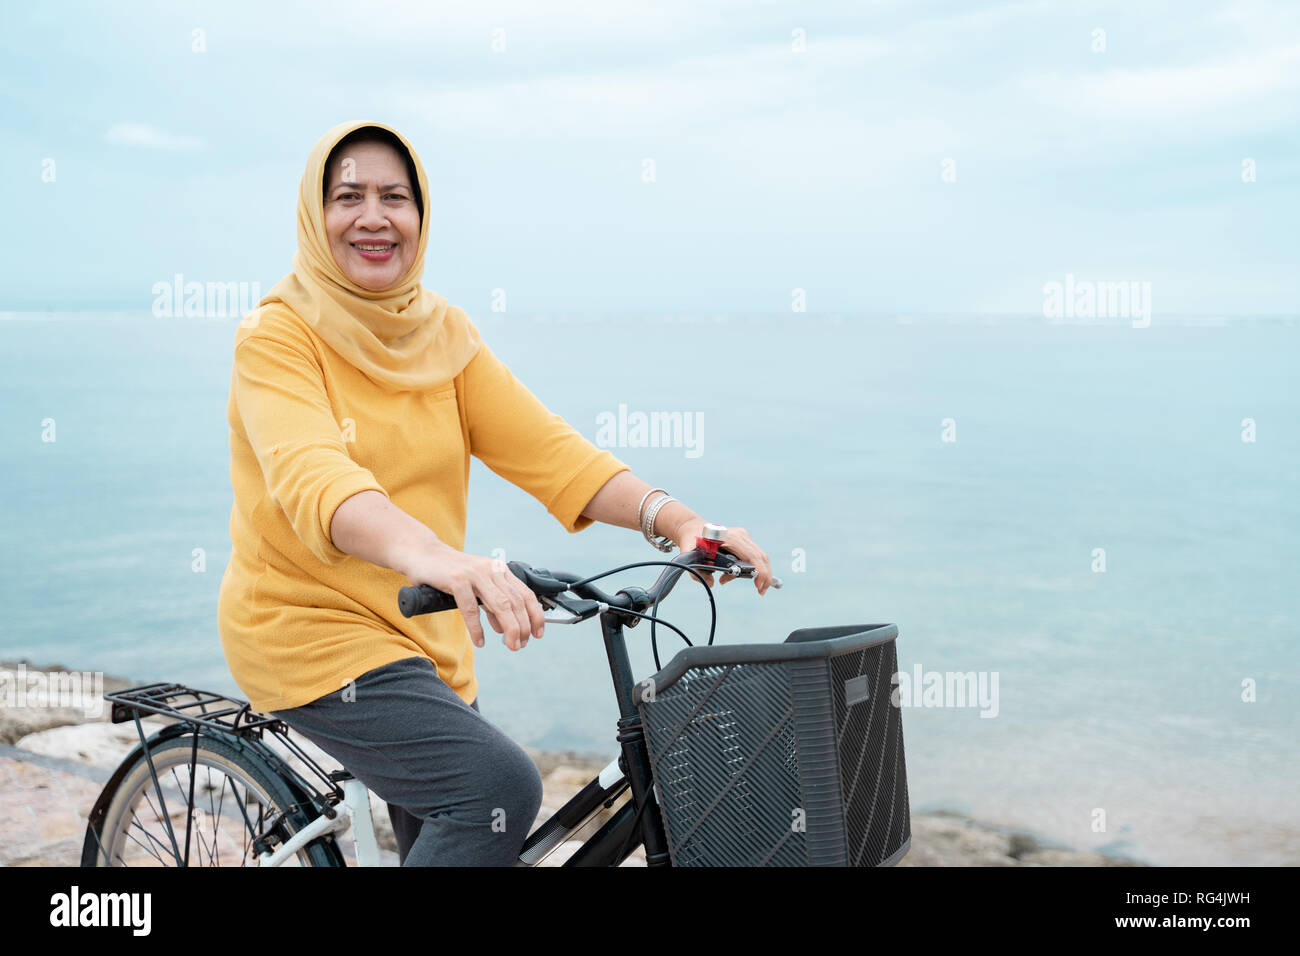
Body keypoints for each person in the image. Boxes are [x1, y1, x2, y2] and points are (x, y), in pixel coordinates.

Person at [217, 120, 774, 866]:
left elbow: (549, 451)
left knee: (471, 836)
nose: (374, 216)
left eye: (396, 197)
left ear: (421, 216)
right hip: (307, 632)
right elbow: (321, 482)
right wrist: (441, 559)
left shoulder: (444, 333)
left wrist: (679, 522)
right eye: (348, 196)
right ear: (316, 220)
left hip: (424, 633)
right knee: (497, 791)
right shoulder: (276, 338)